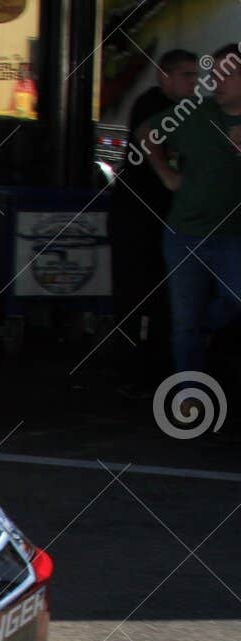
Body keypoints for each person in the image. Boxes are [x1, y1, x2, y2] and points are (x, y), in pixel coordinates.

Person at [110, 49, 199, 389]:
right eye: (186, 75)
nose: (194, 82)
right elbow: (149, 138)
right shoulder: (152, 104)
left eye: (195, 75)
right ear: (166, 75)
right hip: (138, 217)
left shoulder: (186, 108)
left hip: (166, 218)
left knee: (164, 296)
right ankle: (131, 369)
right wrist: (168, 175)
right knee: (134, 294)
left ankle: (155, 365)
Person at [150, 43, 241, 375]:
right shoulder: (195, 112)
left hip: (233, 235)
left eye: (227, 74)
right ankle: (190, 394)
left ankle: (207, 327)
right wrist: (167, 174)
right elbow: (147, 133)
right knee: (183, 320)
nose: (217, 81)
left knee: (234, 300)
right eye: (214, 74)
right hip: (185, 234)